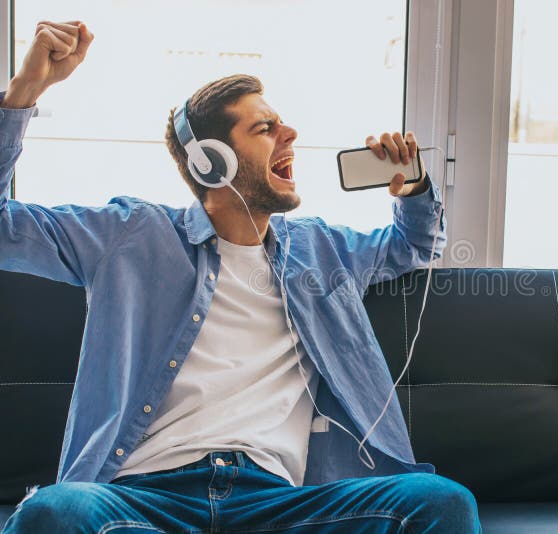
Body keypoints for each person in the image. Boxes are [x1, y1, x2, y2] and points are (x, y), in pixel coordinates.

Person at [0, 20, 481, 533]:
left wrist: (412, 189)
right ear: (211, 163)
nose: (290, 134)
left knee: (441, 501)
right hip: (142, 505)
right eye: (265, 128)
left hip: (277, 505)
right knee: (55, 511)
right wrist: (23, 92)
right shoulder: (133, 235)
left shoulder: (323, 250)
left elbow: (416, 247)